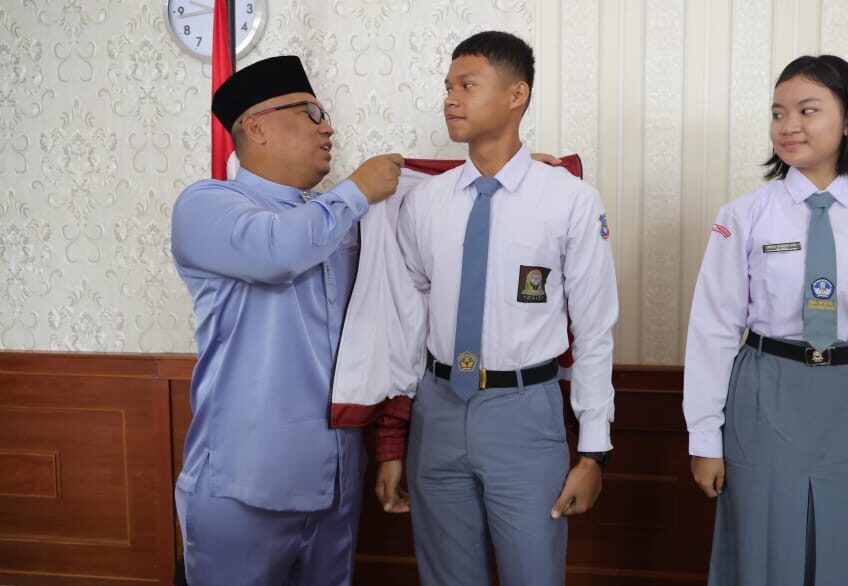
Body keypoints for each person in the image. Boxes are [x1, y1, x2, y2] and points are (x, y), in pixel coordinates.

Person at [682, 54, 848, 585]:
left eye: (807, 110)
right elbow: (712, 330)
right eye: (778, 113)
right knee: (762, 556)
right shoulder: (744, 216)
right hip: (766, 396)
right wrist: (705, 438)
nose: (788, 126)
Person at [380, 31, 619, 586]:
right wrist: (392, 439)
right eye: (447, 87)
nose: (450, 99)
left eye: (467, 85)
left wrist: (594, 452)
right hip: (437, 412)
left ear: (516, 94)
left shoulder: (569, 200)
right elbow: (407, 322)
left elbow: (594, 328)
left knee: (533, 573)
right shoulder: (425, 203)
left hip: (524, 413)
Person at [170, 55, 403, 586]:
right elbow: (277, 252)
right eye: (311, 112)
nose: (328, 128)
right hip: (243, 482)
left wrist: (507, 174)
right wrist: (356, 190)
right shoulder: (207, 205)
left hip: (336, 477)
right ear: (256, 127)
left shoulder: (337, 214)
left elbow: (424, 226)